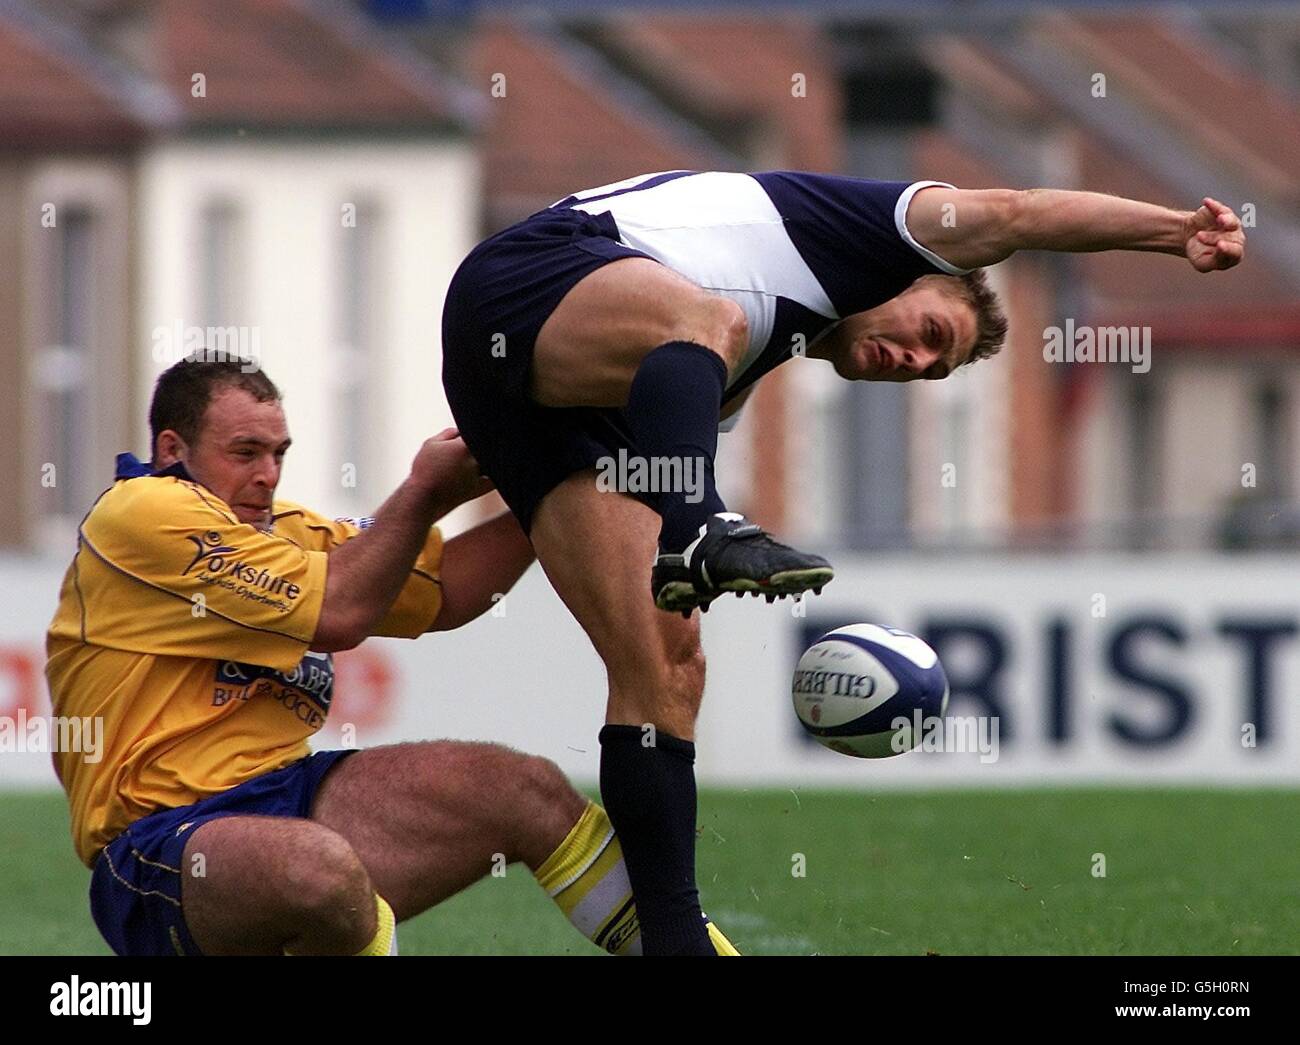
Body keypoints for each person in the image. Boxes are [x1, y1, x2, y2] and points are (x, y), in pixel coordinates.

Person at [439, 169, 1246, 954]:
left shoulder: (732, 371)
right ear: (919, 274)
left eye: (935, 371)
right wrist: (1176, 233)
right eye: (933, 335)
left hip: (545, 397)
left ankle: (674, 942)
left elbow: (650, 420)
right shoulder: (877, 228)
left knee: (666, 666)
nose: (919, 363)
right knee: (706, 324)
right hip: (527, 278)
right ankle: (699, 530)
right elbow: (1017, 213)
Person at [46, 355, 737, 956]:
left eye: (279, 452)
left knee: (524, 791)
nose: (268, 473)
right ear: (173, 448)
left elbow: (450, 591)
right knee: (323, 873)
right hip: (157, 844)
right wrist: (425, 491)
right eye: (245, 451)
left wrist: (561, 477)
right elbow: (342, 609)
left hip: (288, 795)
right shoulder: (141, 511)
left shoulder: (280, 528)